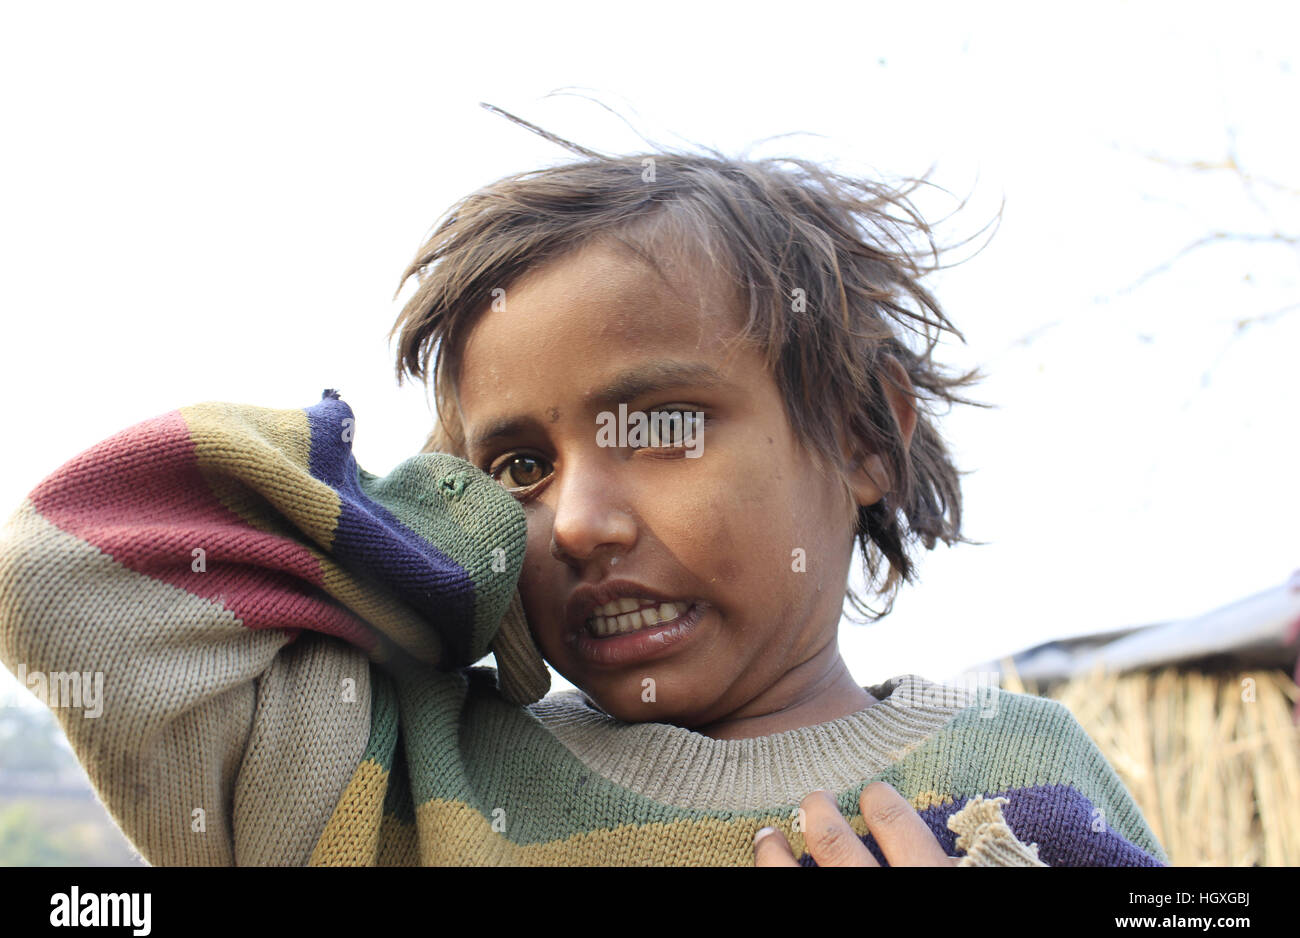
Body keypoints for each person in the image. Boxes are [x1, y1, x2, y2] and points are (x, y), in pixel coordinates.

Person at [0, 110, 1169, 866]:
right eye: (516, 467)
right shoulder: (411, 782)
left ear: (866, 431)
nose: (578, 521)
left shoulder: (1018, 780)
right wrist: (432, 537)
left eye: (659, 426)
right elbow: (69, 575)